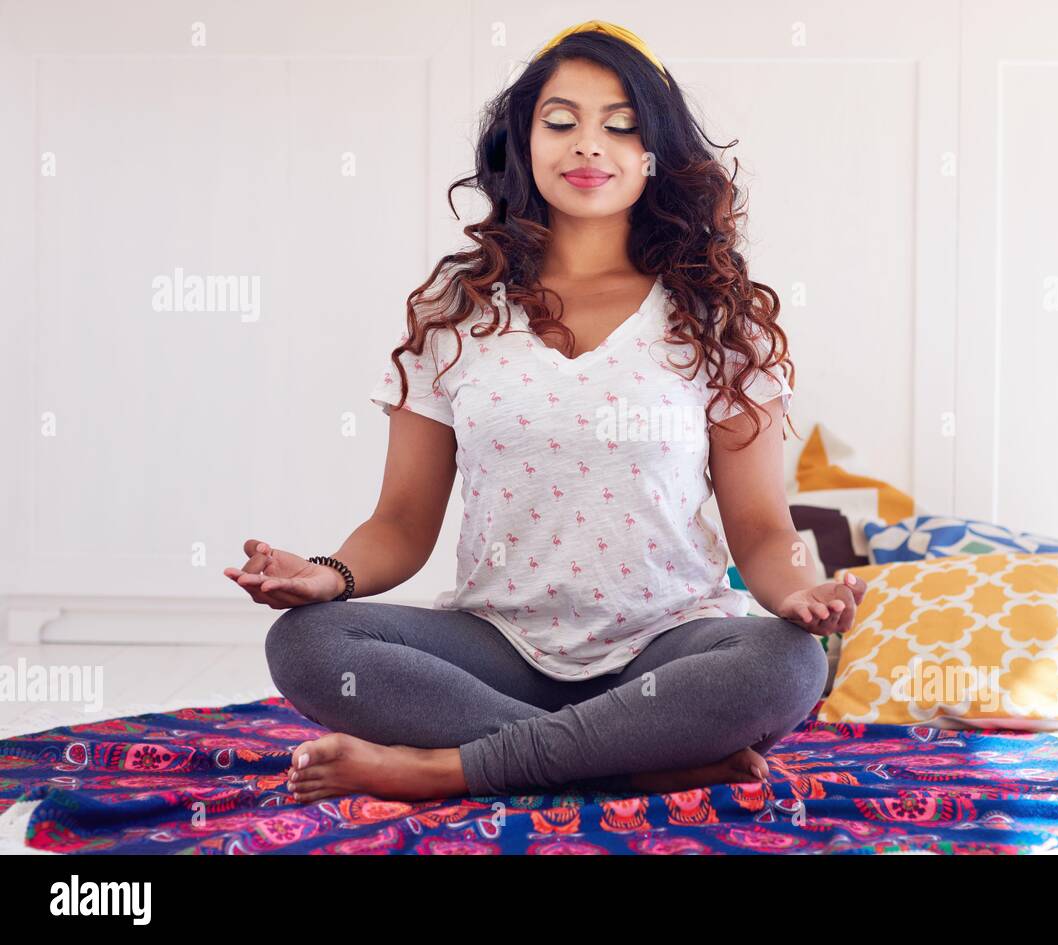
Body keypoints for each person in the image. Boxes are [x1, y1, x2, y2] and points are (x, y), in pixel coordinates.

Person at [224, 20, 864, 803]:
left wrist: (800, 591)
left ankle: (449, 768)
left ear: (653, 154)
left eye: (620, 126)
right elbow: (399, 522)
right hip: (495, 650)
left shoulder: (714, 316)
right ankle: (630, 763)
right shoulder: (454, 309)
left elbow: (762, 529)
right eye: (561, 122)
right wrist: (328, 575)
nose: (589, 145)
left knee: (789, 661)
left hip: (665, 650)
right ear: (523, 144)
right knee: (309, 644)